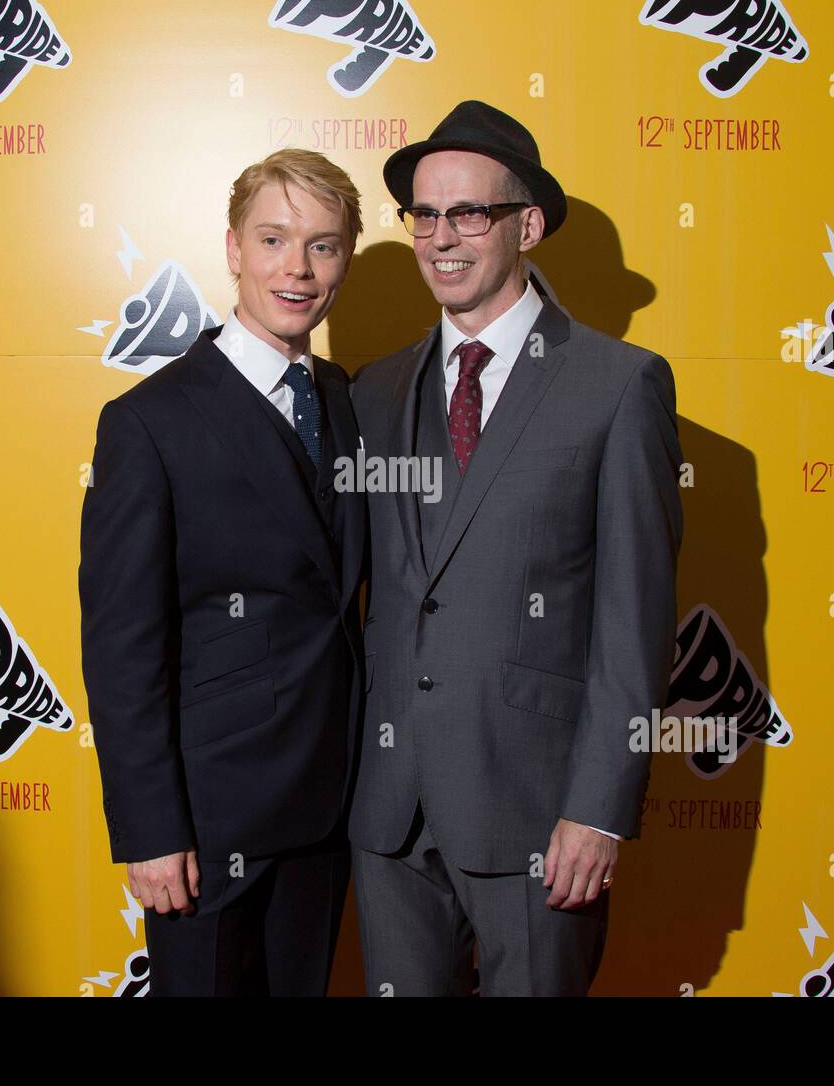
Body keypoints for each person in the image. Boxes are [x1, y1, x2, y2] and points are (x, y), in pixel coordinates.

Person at [349, 100, 683, 996]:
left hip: (540, 819)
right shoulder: (373, 393)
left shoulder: (618, 386)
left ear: (526, 225)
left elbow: (634, 620)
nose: (441, 237)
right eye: (424, 214)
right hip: (388, 816)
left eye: (470, 213)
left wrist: (600, 811)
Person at [79, 149, 366, 996]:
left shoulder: (344, 401)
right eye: (273, 239)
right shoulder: (149, 422)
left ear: (345, 258)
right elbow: (123, 646)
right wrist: (149, 829)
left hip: (330, 806)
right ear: (234, 248)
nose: (297, 268)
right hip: (206, 825)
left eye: (323, 245)